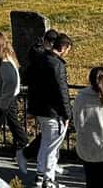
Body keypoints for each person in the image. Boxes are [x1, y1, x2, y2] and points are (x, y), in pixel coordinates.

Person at [27, 32, 73, 188]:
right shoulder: (57, 64)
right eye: (68, 49)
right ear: (63, 47)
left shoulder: (41, 59)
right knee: (52, 147)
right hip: (55, 112)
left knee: (45, 144)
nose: (67, 53)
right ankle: (49, 179)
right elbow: (62, 91)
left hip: (41, 110)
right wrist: (67, 114)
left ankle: (40, 175)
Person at [0, 32, 29, 175]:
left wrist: (3, 103)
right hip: (5, 98)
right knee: (12, 126)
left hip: (4, 99)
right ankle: (22, 149)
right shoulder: (4, 59)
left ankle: (23, 150)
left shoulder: (4, 62)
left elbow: (10, 83)